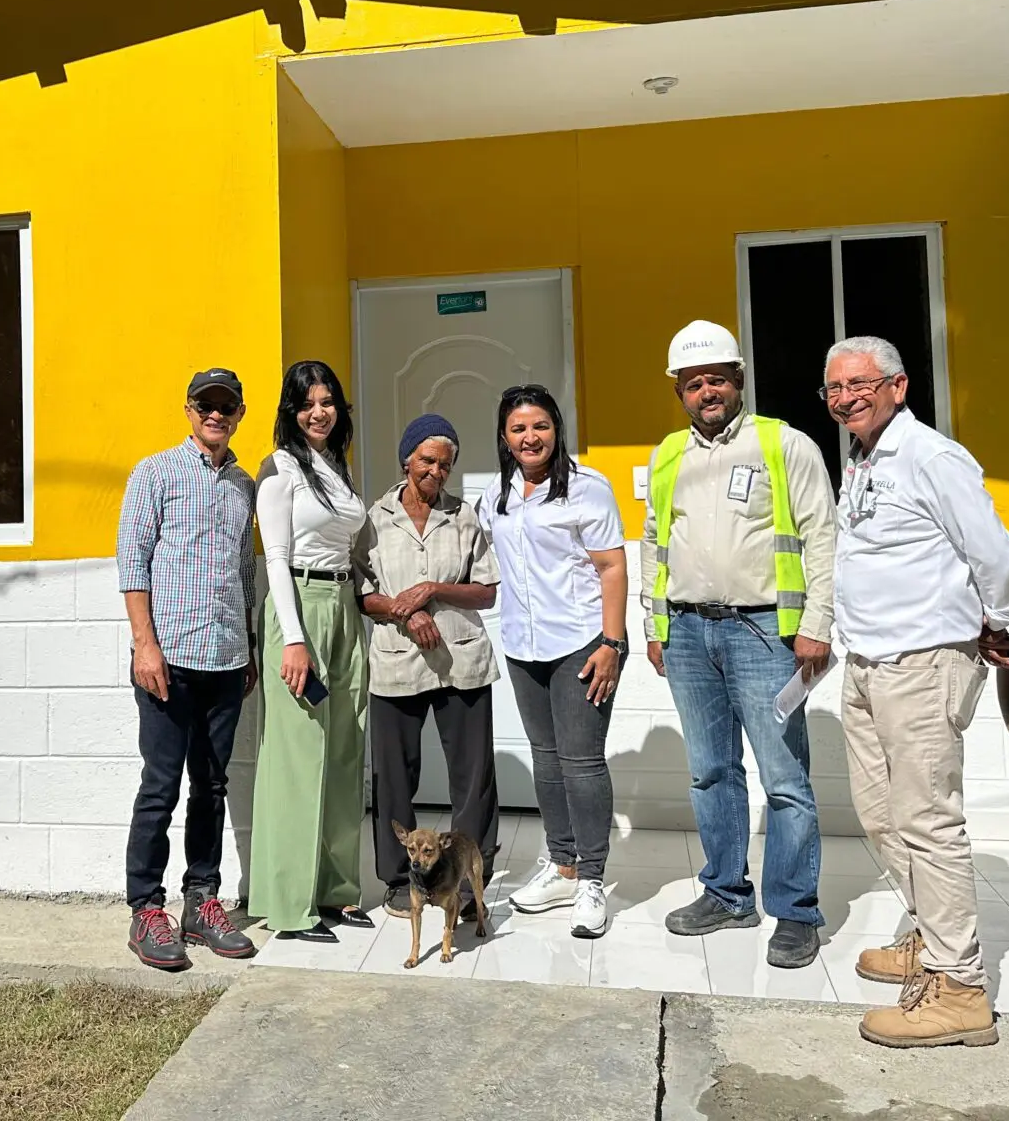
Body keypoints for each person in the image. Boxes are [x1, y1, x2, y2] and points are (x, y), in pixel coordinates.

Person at [824, 335, 1009, 1049]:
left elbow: (997, 557)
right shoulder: (862, 459)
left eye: (859, 384)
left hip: (923, 665)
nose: (846, 397)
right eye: (834, 388)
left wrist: (994, 624)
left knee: (929, 821)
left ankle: (960, 988)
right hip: (870, 664)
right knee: (882, 816)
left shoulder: (931, 457)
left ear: (898, 386)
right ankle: (929, 936)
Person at [642, 320, 838, 969]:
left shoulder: (785, 446)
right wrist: (654, 623)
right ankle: (726, 893)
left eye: (717, 380)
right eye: (694, 384)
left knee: (785, 781)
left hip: (765, 634)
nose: (707, 392)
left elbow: (821, 538)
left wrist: (817, 624)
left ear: (739, 381)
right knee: (711, 773)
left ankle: (796, 913)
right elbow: (653, 543)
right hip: (690, 633)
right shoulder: (669, 455)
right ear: (679, 391)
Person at [116, 368, 262, 972]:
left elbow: (245, 571)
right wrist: (143, 646)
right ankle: (146, 908)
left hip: (227, 659)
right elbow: (132, 562)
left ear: (239, 414)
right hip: (166, 661)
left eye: (227, 406)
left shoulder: (245, 485)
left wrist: (250, 645)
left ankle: (201, 901)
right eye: (208, 404)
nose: (217, 414)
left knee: (212, 786)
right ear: (189, 409)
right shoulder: (155, 473)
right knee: (160, 786)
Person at [479, 383, 628, 940]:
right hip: (523, 645)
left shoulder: (587, 489)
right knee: (546, 757)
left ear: (555, 430)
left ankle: (591, 878)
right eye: (518, 428)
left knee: (582, 760)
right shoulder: (496, 494)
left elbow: (612, 567)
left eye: (539, 426)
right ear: (504, 437)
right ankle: (561, 865)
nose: (529, 437)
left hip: (582, 642)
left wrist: (611, 645)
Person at [353, 414, 502, 919]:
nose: (436, 471)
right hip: (396, 660)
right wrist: (406, 610)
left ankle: (467, 877)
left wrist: (434, 590)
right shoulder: (374, 518)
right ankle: (400, 879)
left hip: (461, 657)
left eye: (445, 463)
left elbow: (486, 590)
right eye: (427, 460)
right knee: (395, 774)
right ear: (406, 460)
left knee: (472, 774)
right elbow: (362, 592)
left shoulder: (464, 517)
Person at [251, 360, 370, 942]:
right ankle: (292, 904)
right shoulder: (281, 467)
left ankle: (337, 891)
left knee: (346, 747)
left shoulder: (337, 469)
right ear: (291, 412)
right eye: (307, 403)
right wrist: (294, 639)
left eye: (328, 401)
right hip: (298, 606)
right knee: (300, 756)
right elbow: (274, 556)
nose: (319, 411)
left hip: (343, 606)